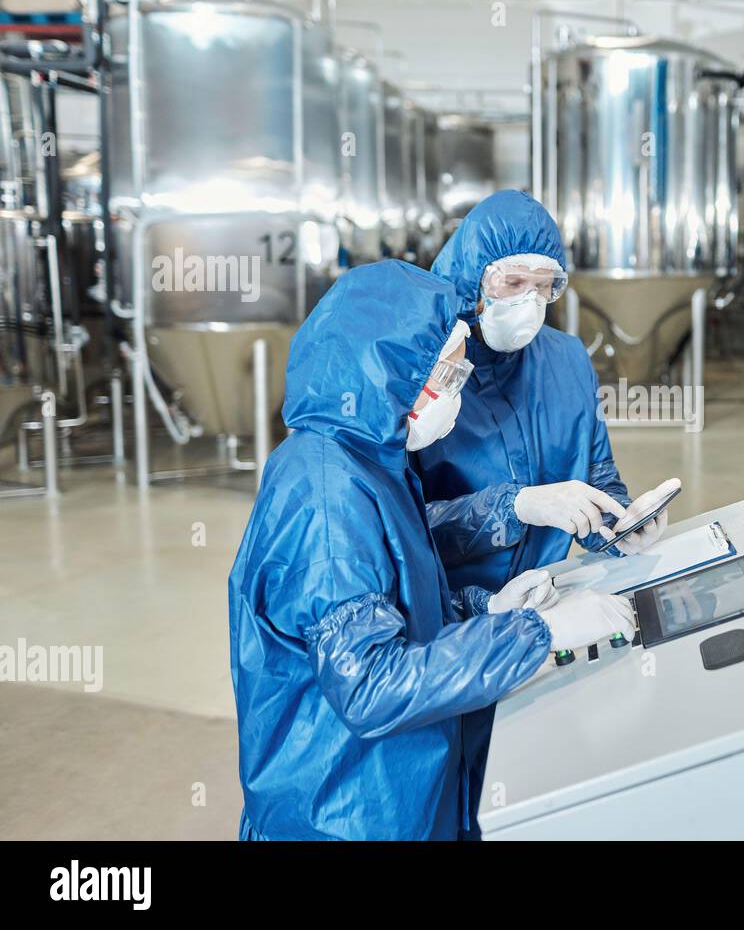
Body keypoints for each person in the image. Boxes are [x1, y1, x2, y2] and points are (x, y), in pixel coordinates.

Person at [228, 259, 635, 840]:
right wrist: (537, 635)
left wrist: (486, 610)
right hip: (344, 817)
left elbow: (401, 610)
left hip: (399, 797)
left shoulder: (370, 461)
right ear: (391, 372)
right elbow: (369, 684)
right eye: (446, 374)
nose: (456, 389)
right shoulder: (324, 499)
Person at [415, 189, 680, 590]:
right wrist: (516, 508)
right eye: (513, 282)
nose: (530, 301)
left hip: (548, 595)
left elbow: (597, 477)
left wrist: (620, 526)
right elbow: (401, 533)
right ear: (471, 279)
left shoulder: (568, 360)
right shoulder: (426, 371)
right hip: (449, 618)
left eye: (543, 286)